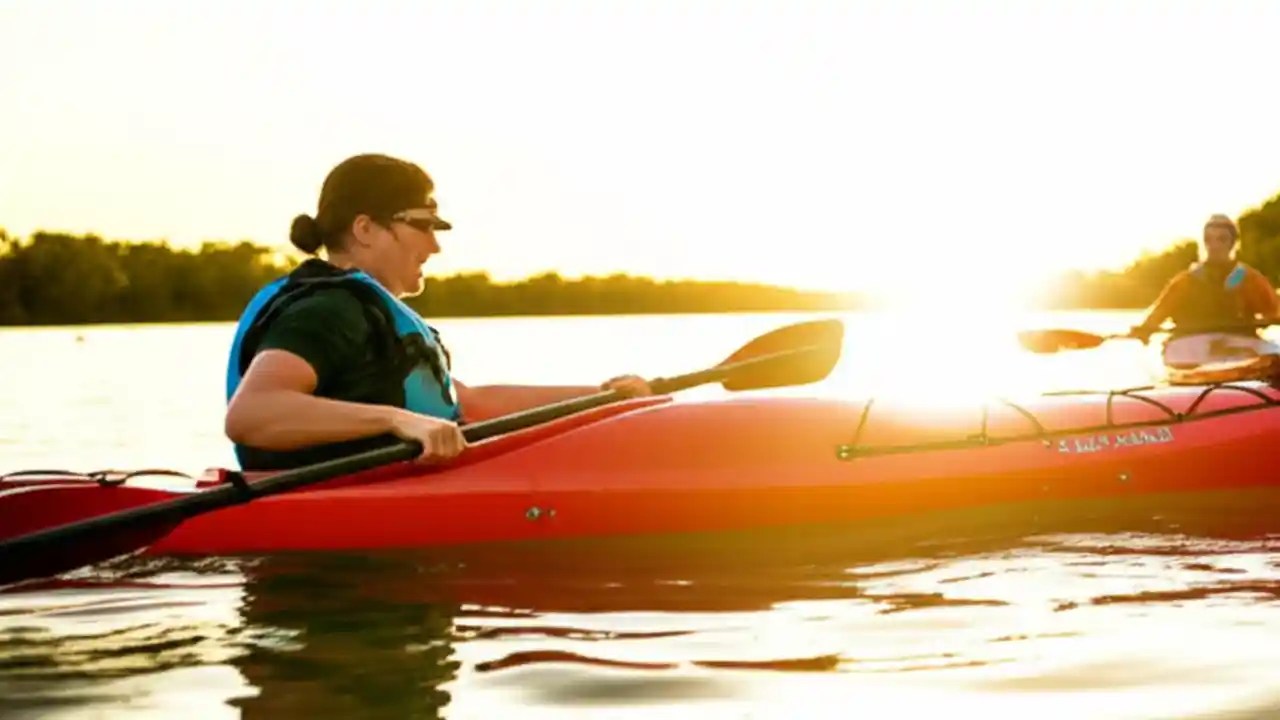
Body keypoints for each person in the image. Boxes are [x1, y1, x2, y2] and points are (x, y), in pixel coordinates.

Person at [223, 153, 653, 471]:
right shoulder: (328, 310)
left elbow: (468, 402)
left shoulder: (362, 311)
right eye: (423, 225)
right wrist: (398, 421)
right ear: (366, 229)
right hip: (334, 522)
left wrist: (603, 397)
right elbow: (251, 415)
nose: (434, 245)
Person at [1130, 213, 1280, 368]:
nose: (1214, 245)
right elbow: (1157, 316)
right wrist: (1144, 330)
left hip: (1238, 343)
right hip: (1189, 345)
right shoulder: (1186, 282)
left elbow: (1274, 312)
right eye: (1209, 239)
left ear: (1233, 243)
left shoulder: (1249, 279)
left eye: (1222, 239)